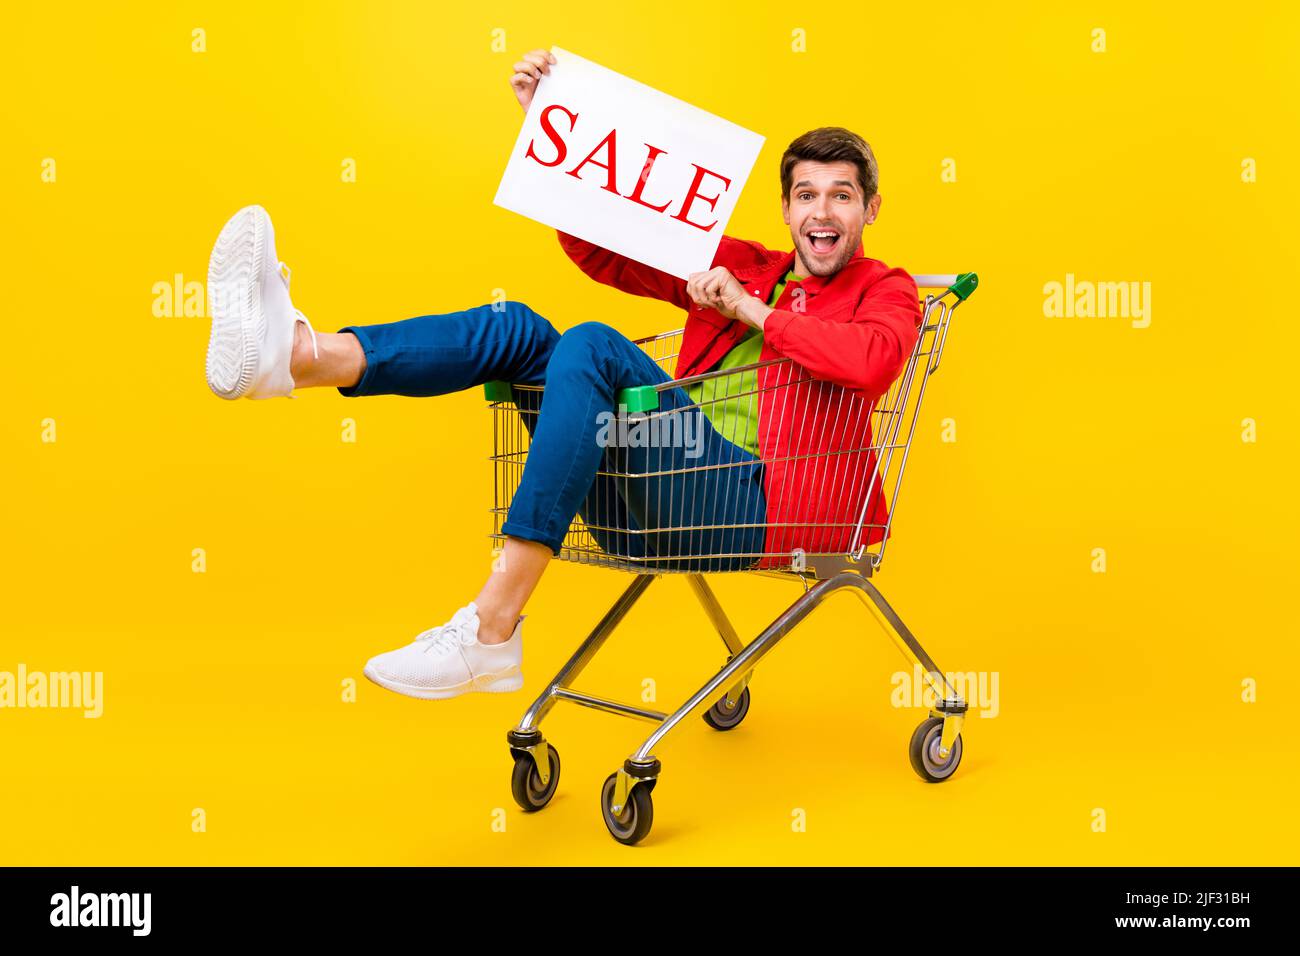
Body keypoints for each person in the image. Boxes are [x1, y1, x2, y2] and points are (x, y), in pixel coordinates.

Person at [202, 48, 921, 701]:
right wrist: (547, 134)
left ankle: (493, 623)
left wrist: (750, 313)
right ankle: (301, 355)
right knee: (517, 330)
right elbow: (611, 254)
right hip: (657, 493)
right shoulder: (750, 266)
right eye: (806, 195)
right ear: (788, 206)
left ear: (870, 209)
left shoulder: (887, 290)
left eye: (841, 196)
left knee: (591, 345)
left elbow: (870, 361)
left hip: (758, 508)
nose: (821, 213)